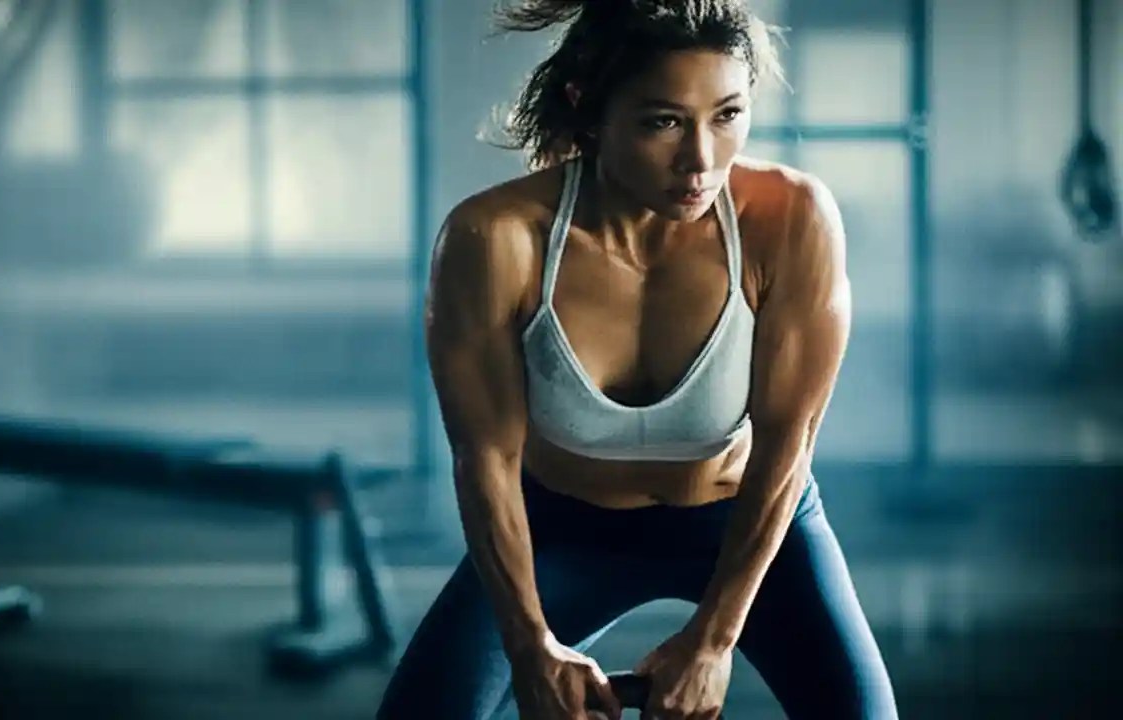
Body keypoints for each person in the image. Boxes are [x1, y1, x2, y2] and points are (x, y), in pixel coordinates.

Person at [378, 1, 899, 718]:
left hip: (741, 516)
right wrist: (531, 646)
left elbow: (789, 443)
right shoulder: (496, 238)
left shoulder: (791, 220)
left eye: (727, 114)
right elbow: (486, 460)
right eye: (663, 122)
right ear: (586, 107)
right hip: (564, 527)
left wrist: (714, 641)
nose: (702, 159)